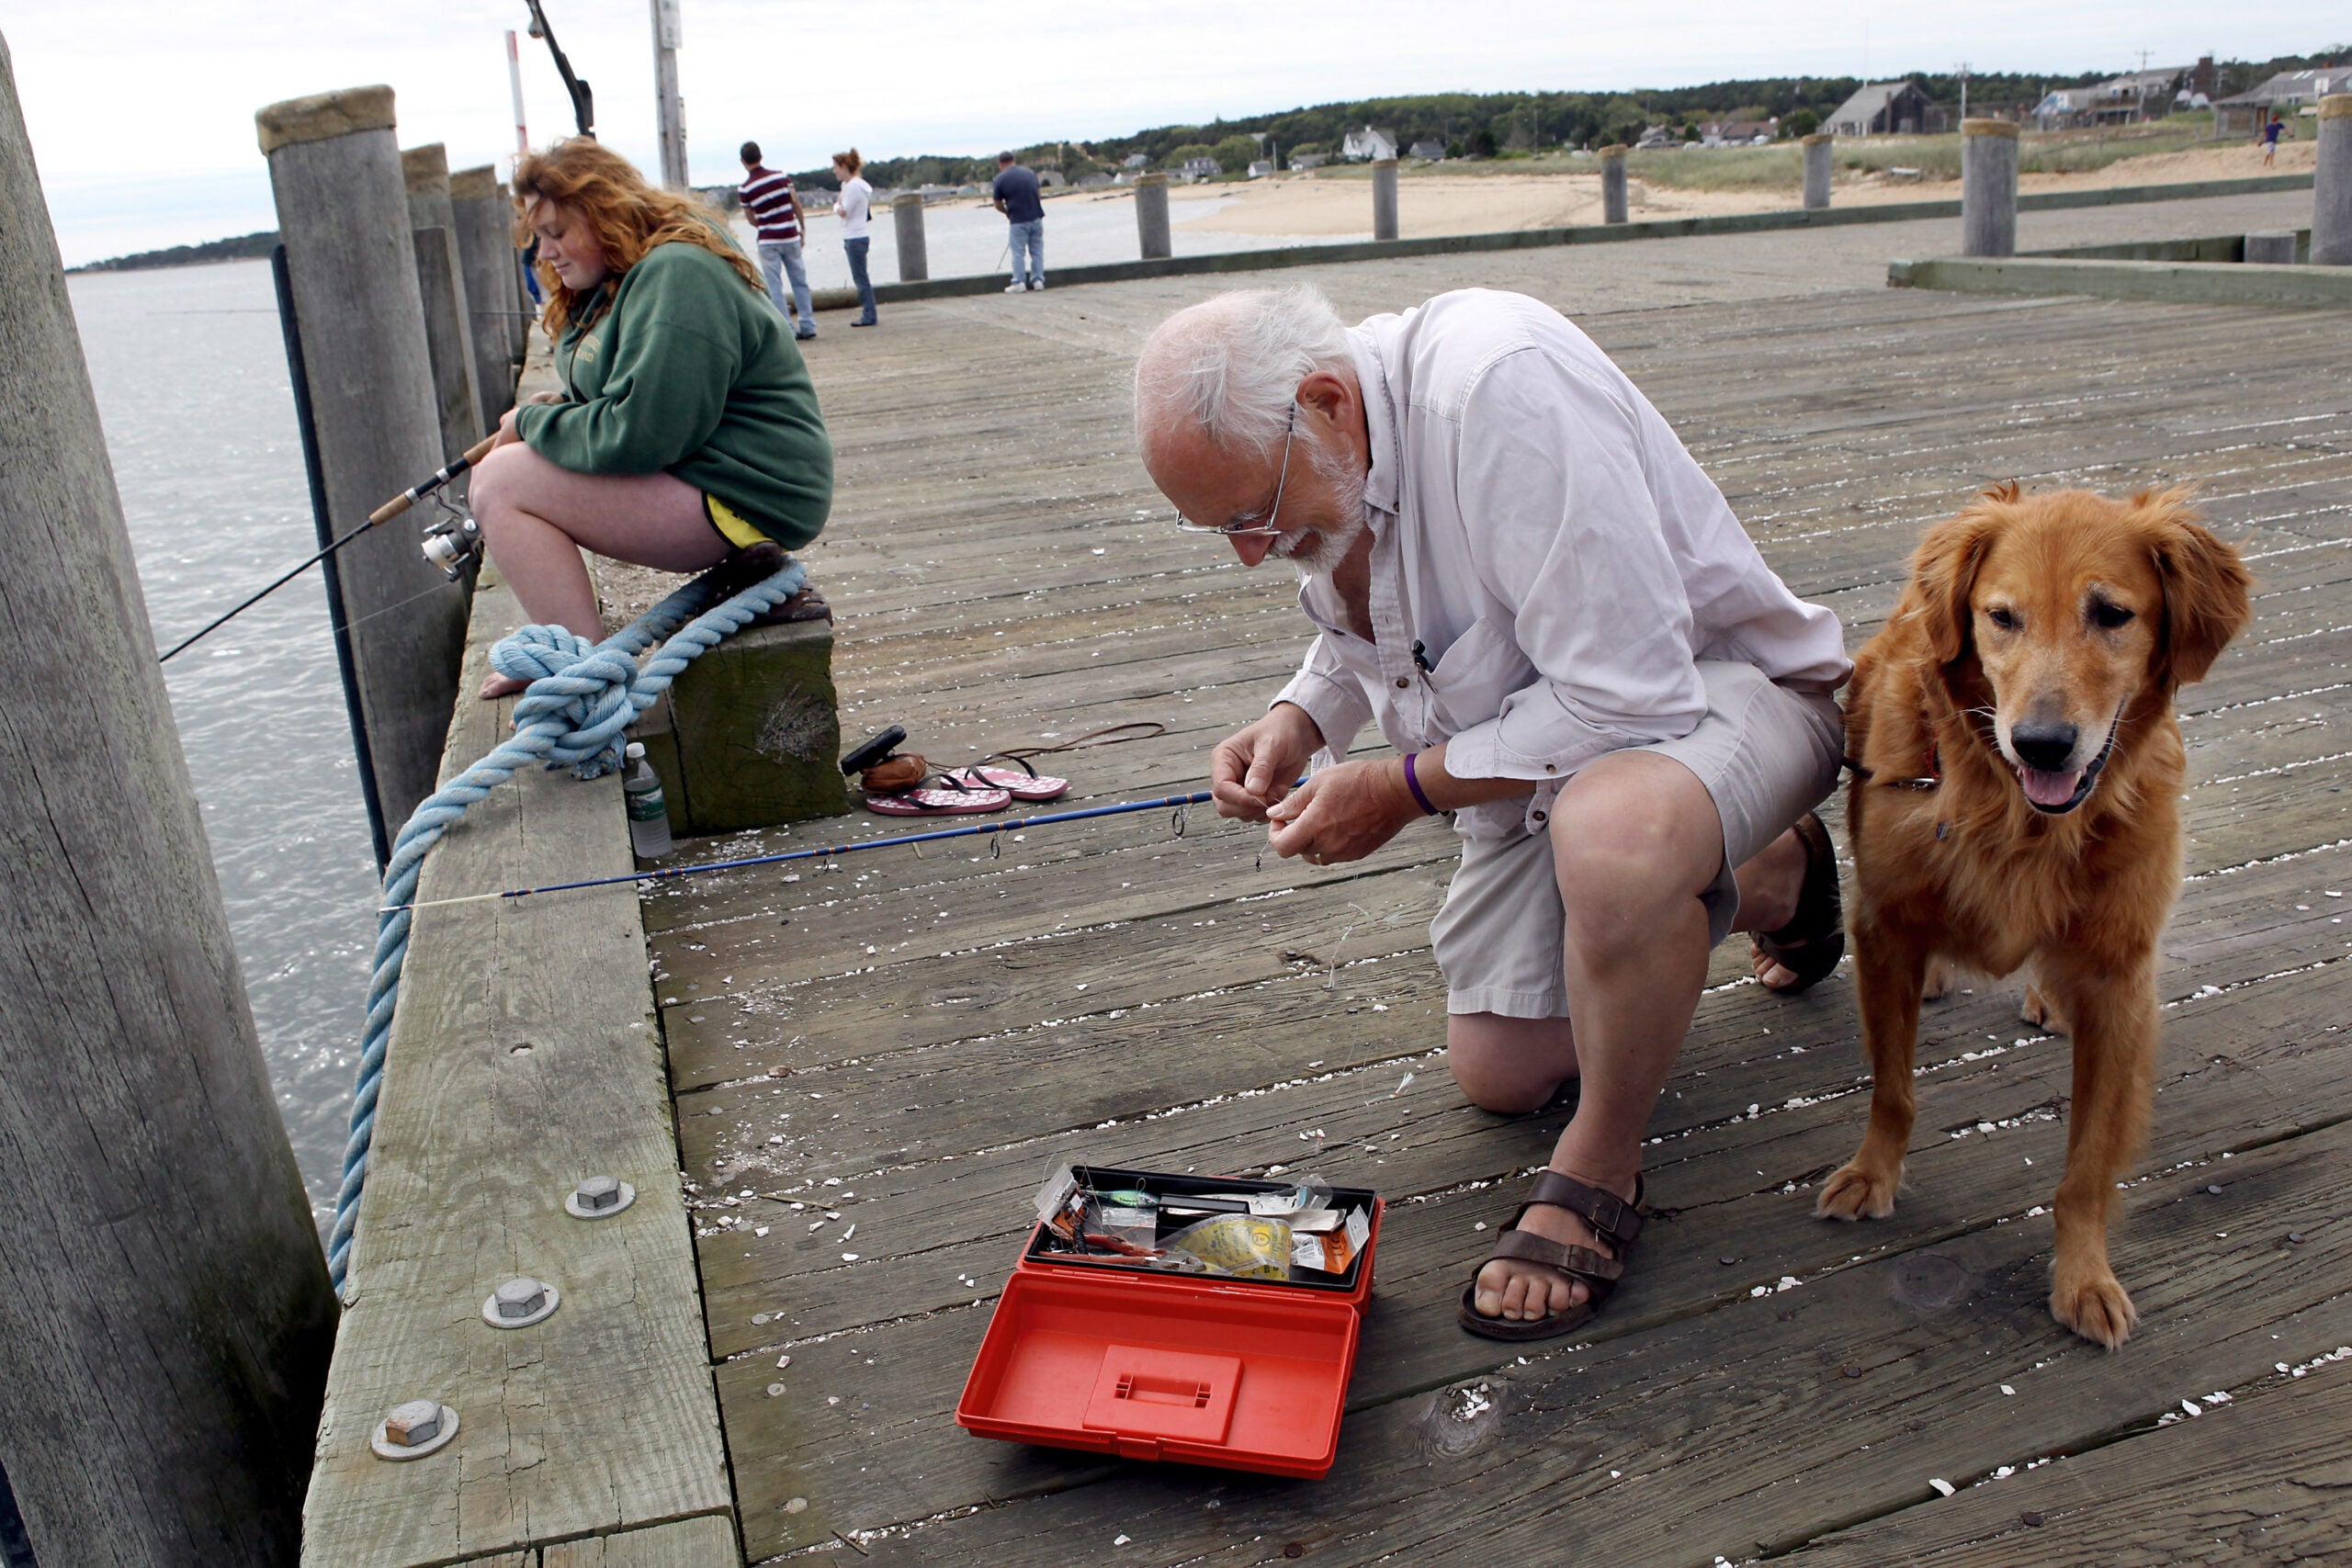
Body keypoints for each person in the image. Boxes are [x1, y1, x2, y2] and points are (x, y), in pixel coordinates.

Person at [1134, 286, 1852, 1341]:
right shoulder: (1340, 445)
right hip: (1550, 754)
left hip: (1721, 695)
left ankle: (1603, 1166)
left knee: (1611, 838)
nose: (1248, 550)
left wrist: (1402, 788)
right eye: (1220, 530)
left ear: (1326, 403)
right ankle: (1775, 877)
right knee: (1503, 1072)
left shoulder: (1500, 391)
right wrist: (1296, 720)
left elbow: (1631, 696)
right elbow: (1367, 626)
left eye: (1250, 515)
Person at [471, 138, 833, 697]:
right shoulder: (622, 279)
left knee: (501, 480)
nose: (545, 253)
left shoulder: (679, 274)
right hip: (713, 481)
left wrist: (533, 425)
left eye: (557, 232)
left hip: (747, 496)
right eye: (539, 237)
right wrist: (555, 411)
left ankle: (579, 665)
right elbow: (626, 395)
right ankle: (568, 647)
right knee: (511, 466)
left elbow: (643, 436)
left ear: (603, 214)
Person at [739, 140, 816, 341]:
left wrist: (765, 224)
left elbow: (751, 219)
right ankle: (808, 324)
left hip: (768, 240)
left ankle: (787, 329)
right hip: (790, 235)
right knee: (800, 281)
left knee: (775, 287)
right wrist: (802, 227)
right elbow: (795, 203)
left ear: (743, 161)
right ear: (761, 156)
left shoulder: (745, 189)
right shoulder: (782, 177)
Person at [832, 149, 878, 327]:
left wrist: (836, 206)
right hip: (857, 235)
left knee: (860, 278)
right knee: (861, 276)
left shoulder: (852, 187)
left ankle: (869, 314)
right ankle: (869, 313)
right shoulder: (853, 186)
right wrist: (838, 204)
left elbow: (844, 210)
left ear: (844, 166)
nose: (834, 171)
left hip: (855, 236)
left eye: (836, 167)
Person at [991, 151, 1046, 292]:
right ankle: (1038, 280)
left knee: (1018, 252)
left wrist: (1007, 212)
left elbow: (997, 204)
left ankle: (1019, 282)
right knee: (1037, 251)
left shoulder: (1000, 179)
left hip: (1018, 220)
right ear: (1013, 160)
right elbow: (1038, 194)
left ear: (1000, 163)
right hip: (1036, 216)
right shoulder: (1030, 173)